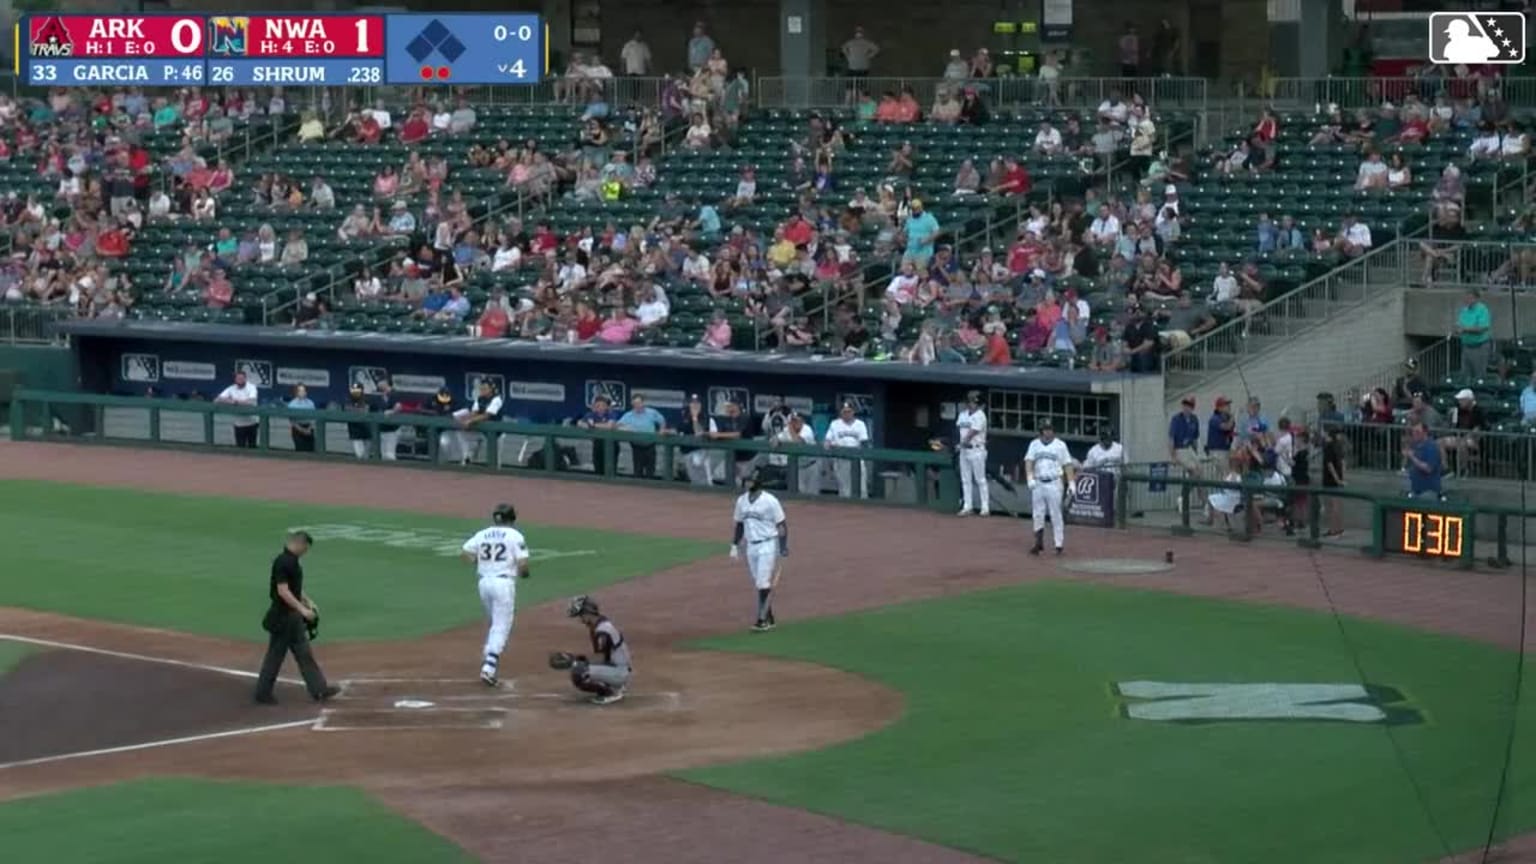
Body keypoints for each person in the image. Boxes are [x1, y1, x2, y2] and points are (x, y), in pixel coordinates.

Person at [254, 531, 340, 704]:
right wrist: (303, 610)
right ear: (300, 544)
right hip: (283, 617)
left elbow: (294, 589)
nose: (306, 552)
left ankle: (319, 689)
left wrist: (308, 601)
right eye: (306, 548)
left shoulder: (291, 561)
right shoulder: (284, 562)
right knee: (275, 655)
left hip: (292, 618)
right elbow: (283, 591)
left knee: (304, 653)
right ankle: (263, 693)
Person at [459, 503, 531, 687]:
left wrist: (481, 565)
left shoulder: (482, 533)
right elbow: (523, 564)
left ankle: (489, 651)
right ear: (512, 519)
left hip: (484, 583)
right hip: (503, 583)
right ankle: (489, 667)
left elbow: (465, 552)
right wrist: (524, 574)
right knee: (502, 625)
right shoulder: (515, 536)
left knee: (495, 622)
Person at [731, 469, 789, 632]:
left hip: (767, 545)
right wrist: (734, 544)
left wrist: (783, 547)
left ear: (758, 482)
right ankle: (769, 618)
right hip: (751, 546)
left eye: (750, 480)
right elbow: (740, 524)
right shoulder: (741, 501)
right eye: (746, 481)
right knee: (760, 583)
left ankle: (761, 620)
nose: (747, 483)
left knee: (762, 582)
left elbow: (781, 525)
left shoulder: (770, 501)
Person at [564, 595, 632, 705]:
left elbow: (600, 659)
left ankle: (612, 692)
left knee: (579, 673)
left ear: (587, 613)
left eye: (581, 615)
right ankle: (613, 684)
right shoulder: (599, 624)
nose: (581, 619)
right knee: (581, 666)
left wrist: (575, 663)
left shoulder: (602, 631)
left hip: (619, 671)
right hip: (617, 667)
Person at [1025, 419, 1076, 555]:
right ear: (1041, 431)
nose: (1048, 432)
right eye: (1045, 429)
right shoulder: (1034, 444)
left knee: (1056, 514)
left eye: (1050, 429)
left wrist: (1071, 483)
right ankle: (1038, 542)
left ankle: (1058, 544)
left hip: (1054, 482)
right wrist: (1029, 478)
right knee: (1038, 513)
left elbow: (1067, 465)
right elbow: (1029, 461)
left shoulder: (1060, 445)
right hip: (1039, 482)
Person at [447, 379, 504, 466]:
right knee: (461, 432)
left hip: (496, 434)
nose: (482, 390)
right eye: (481, 388)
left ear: (491, 389)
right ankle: (467, 457)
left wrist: (470, 421)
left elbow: (487, 415)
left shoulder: (497, 399)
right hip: (481, 430)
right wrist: (463, 418)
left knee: (495, 461)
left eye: (485, 388)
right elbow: (474, 412)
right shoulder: (480, 398)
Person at [955, 390, 990, 516]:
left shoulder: (981, 416)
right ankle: (967, 506)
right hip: (964, 450)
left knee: (980, 479)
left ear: (979, 404)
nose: (971, 404)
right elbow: (960, 430)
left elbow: (972, 433)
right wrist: (959, 444)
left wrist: (961, 444)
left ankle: (985, 507)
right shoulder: (962, 415)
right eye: (969, 402)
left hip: (977, 449)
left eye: (974, 402)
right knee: (965, 479)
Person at [215, 369, 260, 448]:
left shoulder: (251, 387)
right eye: (238, 378)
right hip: (239, 424)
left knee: (252, 447)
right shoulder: (231, 388)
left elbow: (251, 402)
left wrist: (235, 402)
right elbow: (217, 399)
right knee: (240, 448)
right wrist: (231, 401)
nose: (240, 380)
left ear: (245, 379)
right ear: (235, 379)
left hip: (252, 422)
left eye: (242, 378)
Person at [1401, 422, 1444, 501]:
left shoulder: (1431, 447)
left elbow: (1428, 468)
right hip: (1415, 490)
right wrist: (1406, 457)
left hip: (1429, 491)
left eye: (1417, 432)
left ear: (1425, 433)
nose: (1414, 434)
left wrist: (1412, 457)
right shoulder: (1415, 446)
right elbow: (1406, 467)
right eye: (1413, 432)